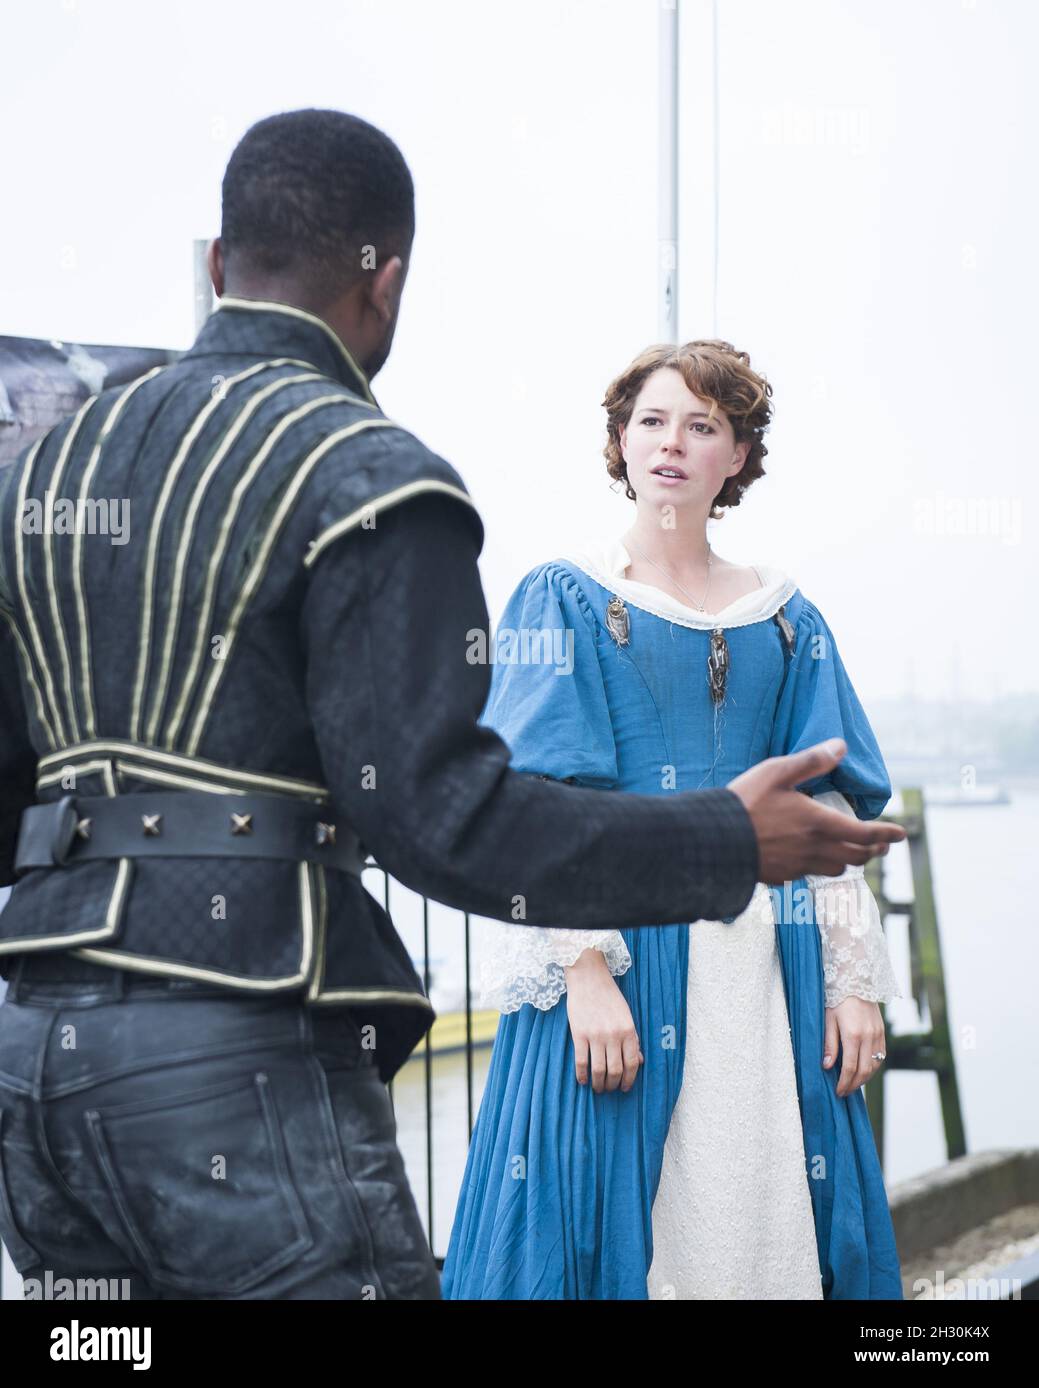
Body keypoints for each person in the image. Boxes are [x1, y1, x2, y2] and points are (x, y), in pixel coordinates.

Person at [0, 109, 904, 1301]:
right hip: (245, 1063)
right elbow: (442, 817)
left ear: (215, 264)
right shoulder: (366, 472)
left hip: (38, 1066)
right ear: (388, 285)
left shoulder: (43, 465)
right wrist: (726, 841)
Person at [443, 341, 904, 1300]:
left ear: (735, 455)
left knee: (770, 1211)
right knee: (595, 1221)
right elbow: (537, 799)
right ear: (619, 440)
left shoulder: (788, 619)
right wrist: (580, 969)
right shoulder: (562, 595)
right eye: (651, 420)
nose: (671, 443)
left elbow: (823, 804)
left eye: (702, 426)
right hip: (624, 955)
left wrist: (853, 981)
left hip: (768, 971)